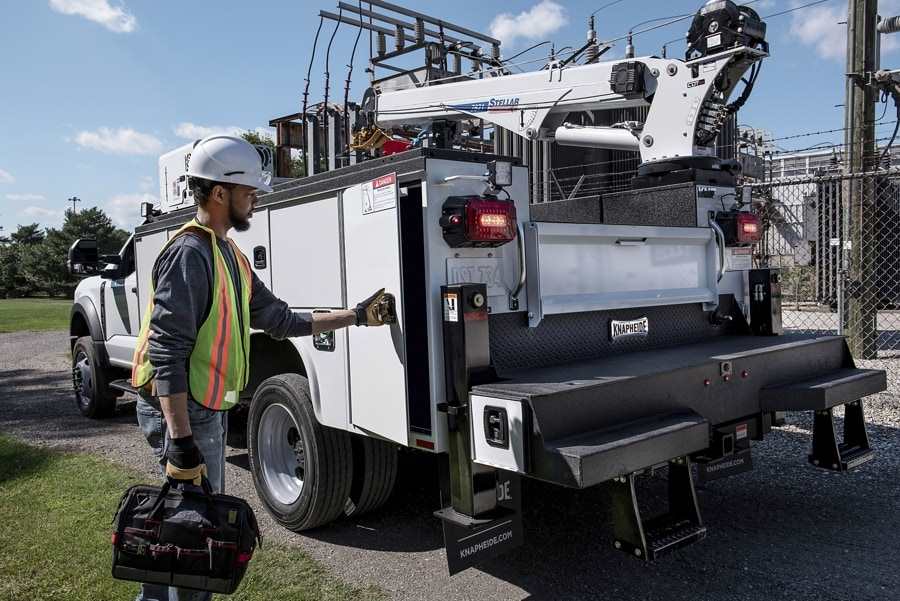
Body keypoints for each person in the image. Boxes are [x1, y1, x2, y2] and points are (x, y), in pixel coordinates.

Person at [130, 135, 394, 601]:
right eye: (249, 191)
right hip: (183, 412)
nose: (255, 199)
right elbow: (167, 350)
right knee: (194, 533)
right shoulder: (189, 253)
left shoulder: (229, 255)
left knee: (190, 527)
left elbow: (280, 319)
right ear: (219, 193)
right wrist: (181, 440)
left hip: (203, 408)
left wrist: (355, 315)